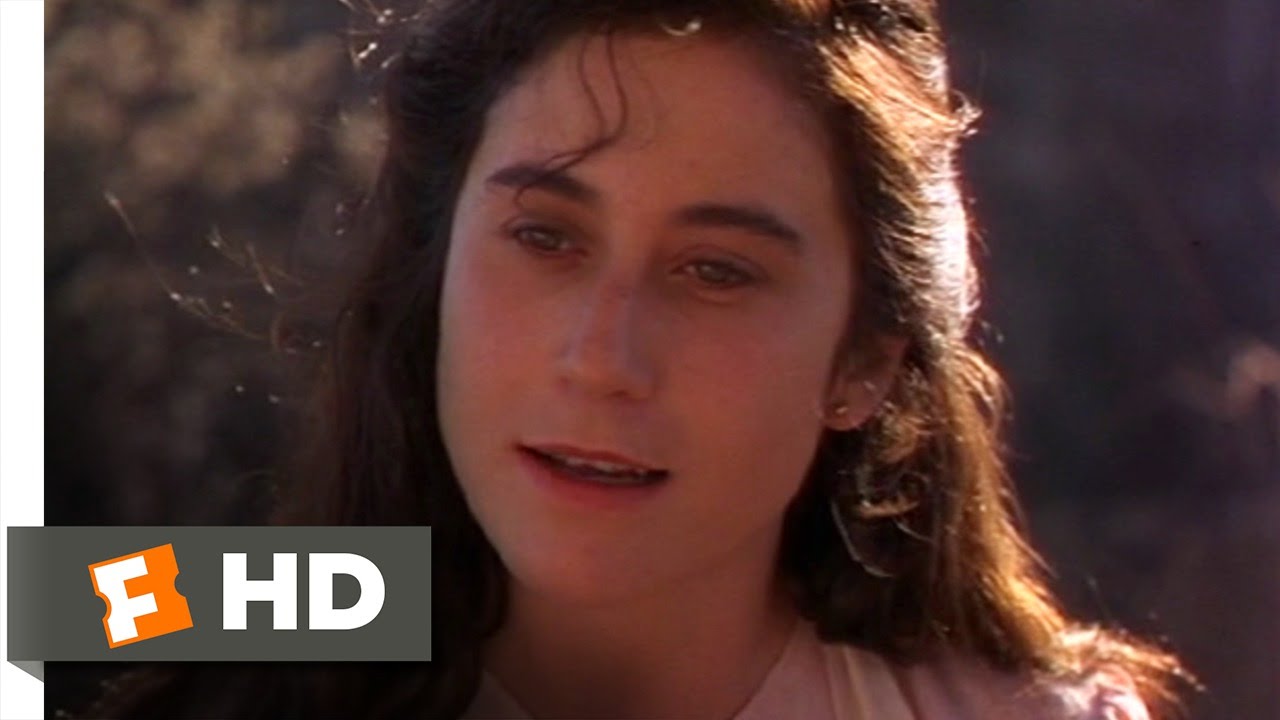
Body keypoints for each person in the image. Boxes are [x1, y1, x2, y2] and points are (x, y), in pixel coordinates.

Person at [81, 0, 1191, 718]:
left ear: (860, 362)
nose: (601, 358)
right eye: (544, 238)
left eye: (716, 271)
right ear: (435, 268)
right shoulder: (196, 624)